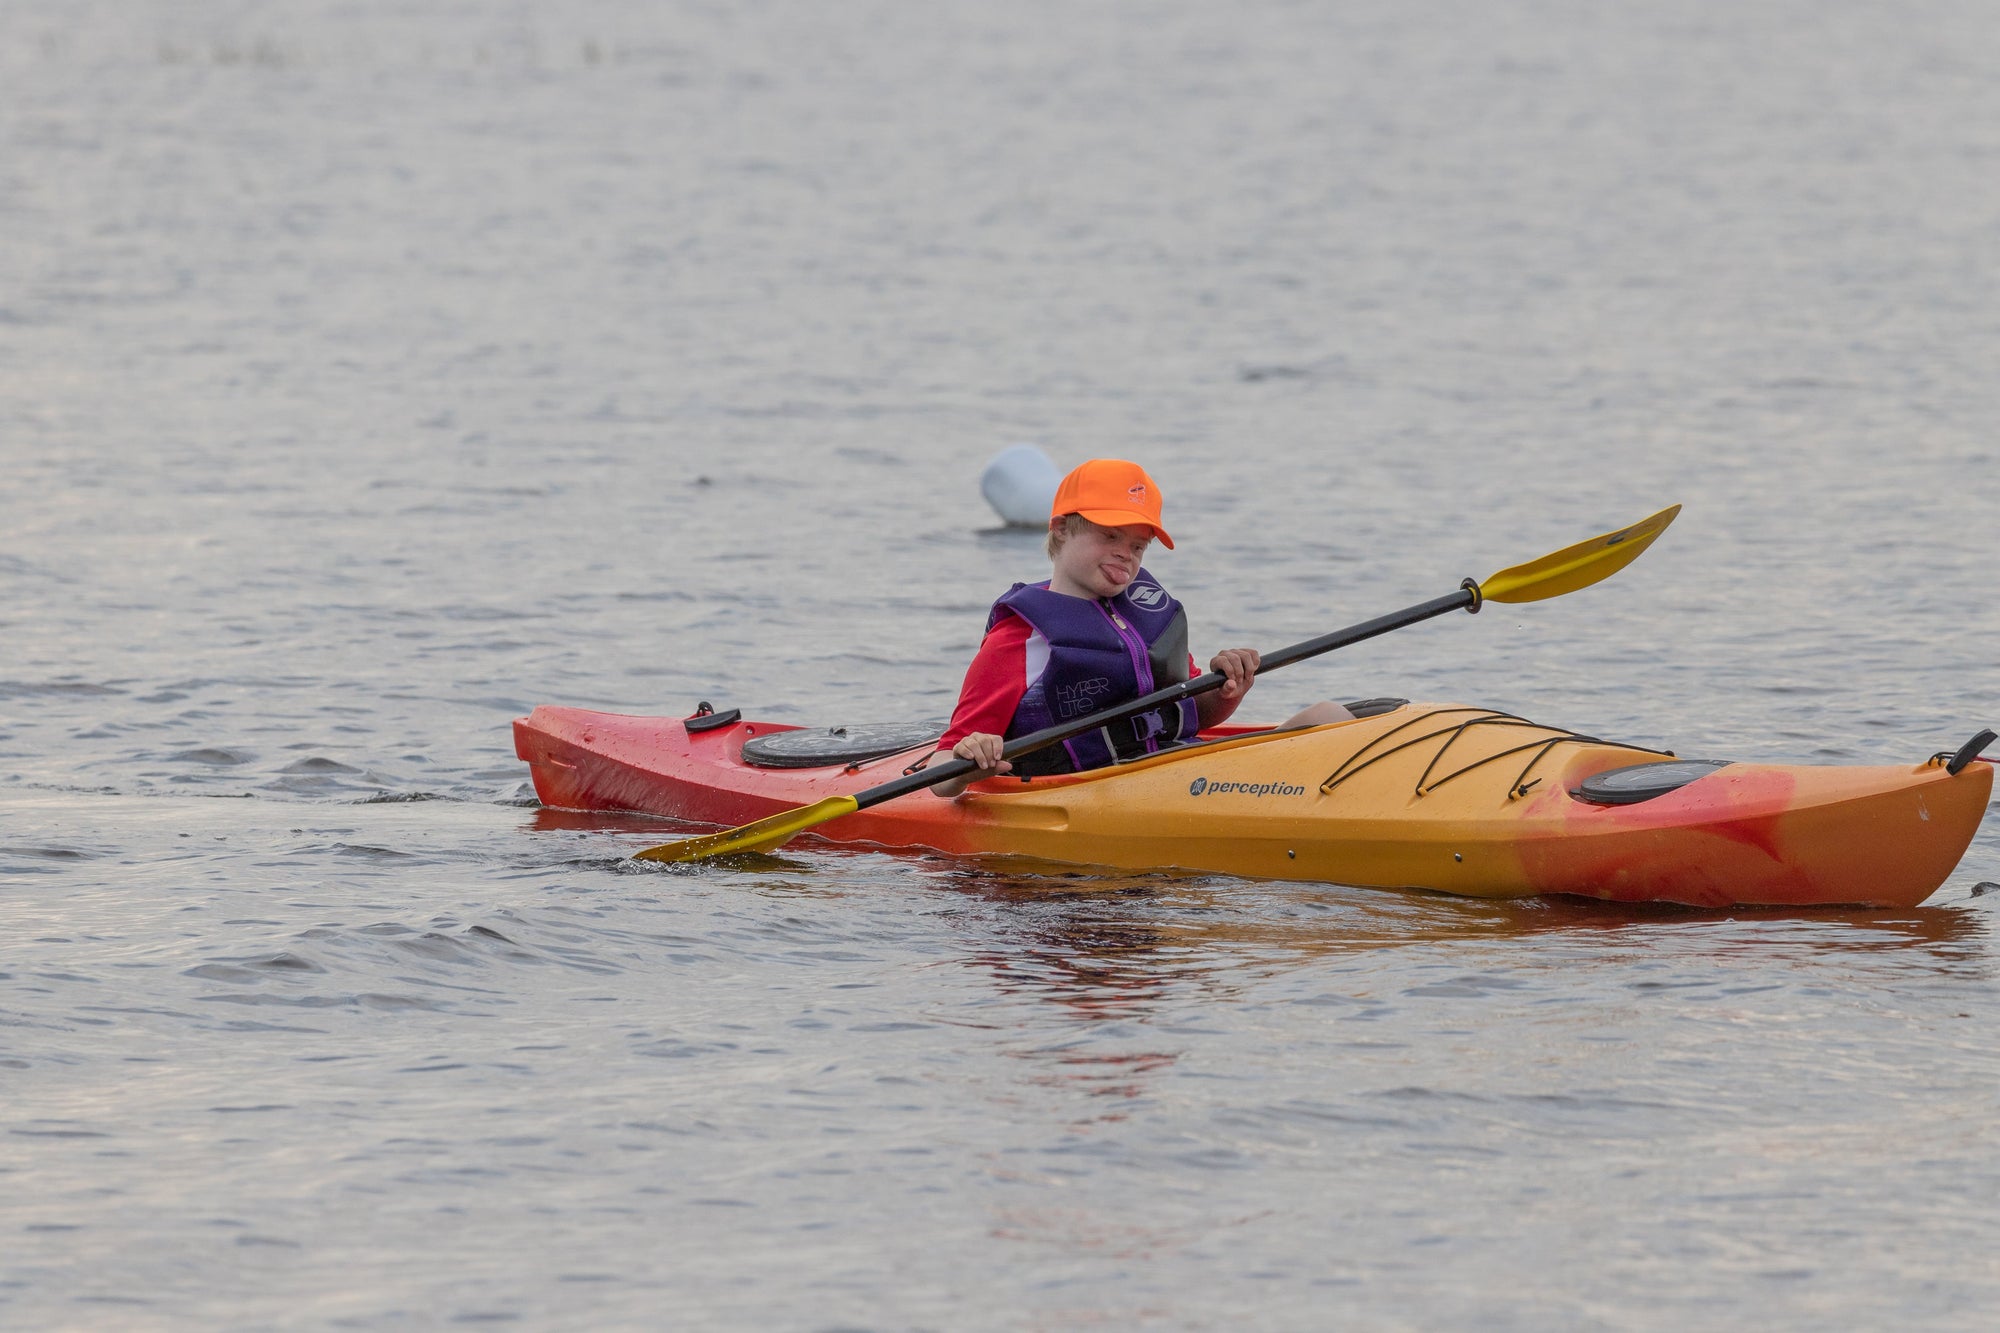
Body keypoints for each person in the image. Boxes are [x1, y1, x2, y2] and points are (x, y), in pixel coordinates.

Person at [932, 459, 1351, 797]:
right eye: (1110, 536)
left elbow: (1192, 717)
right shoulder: (1017, 641)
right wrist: (970, 757)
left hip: (1180, 770)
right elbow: (941, 771)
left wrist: (1229, 689)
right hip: (1099, 791)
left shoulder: (1147, 616)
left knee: (1327, 715)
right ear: (1060, 528)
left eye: (1137, 546)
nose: (1125, 556)